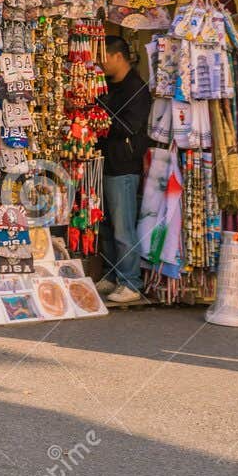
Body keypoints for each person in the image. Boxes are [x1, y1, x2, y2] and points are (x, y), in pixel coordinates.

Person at [96, 36, 151, 306]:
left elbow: (128, 127)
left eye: (103, 56)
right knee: (105, 223)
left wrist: (99, 117)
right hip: (105, 162)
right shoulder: (109, 86)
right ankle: (112, 273)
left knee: (122, 227)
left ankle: (130, 282)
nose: (100, 62)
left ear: (118, 56)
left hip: (123, 166)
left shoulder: (137, 89)